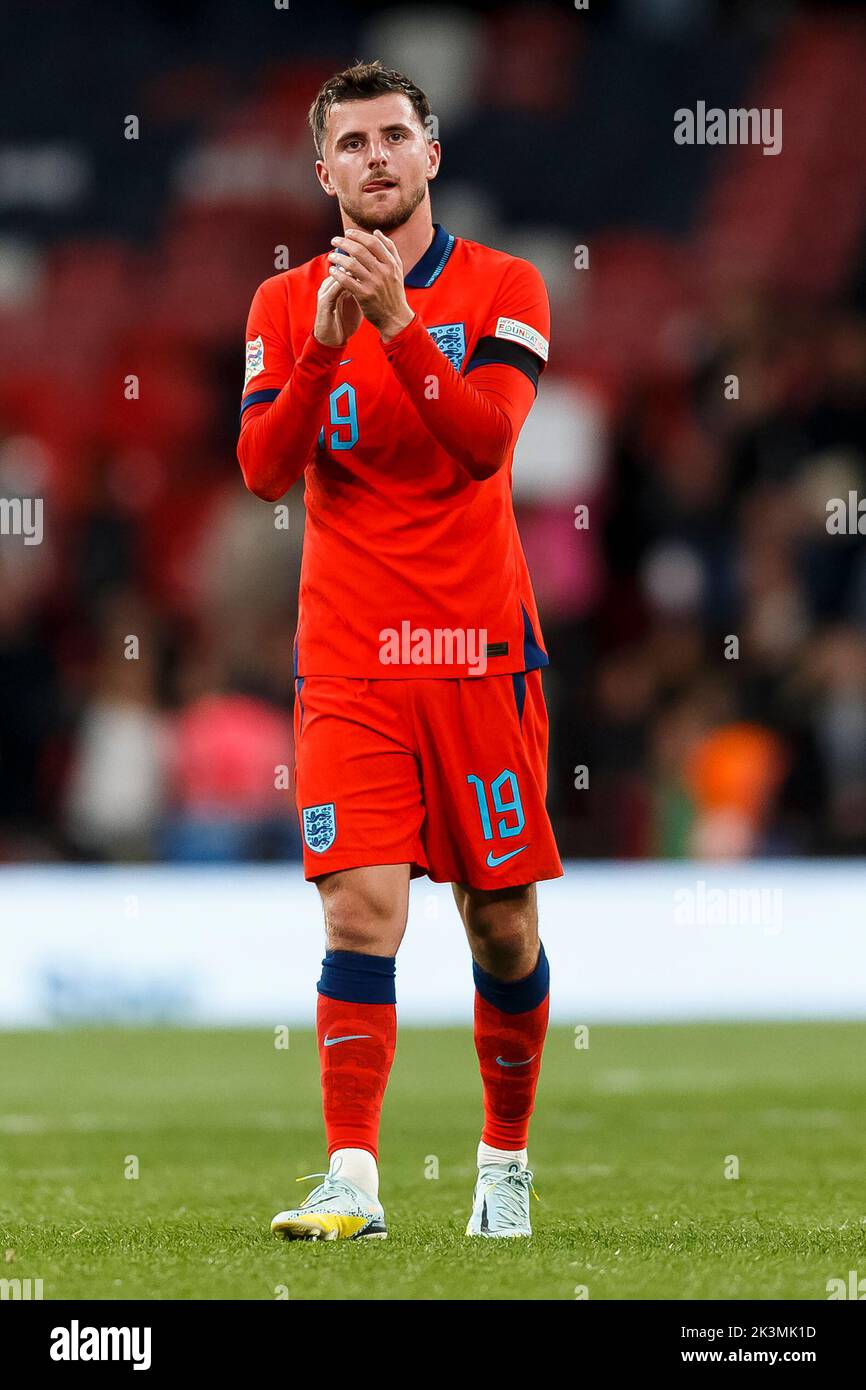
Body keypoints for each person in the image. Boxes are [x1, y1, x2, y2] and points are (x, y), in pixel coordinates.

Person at [237, 60, 562, 1241]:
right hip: (351, 657)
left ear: (431, 154)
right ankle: (353, 1180)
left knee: (500, 926)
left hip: (478, 650)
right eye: (351, 144)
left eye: (394, 137)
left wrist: (393, 320)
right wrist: (326, 344)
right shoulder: (280, 307)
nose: (374, 158)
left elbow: (479, 443)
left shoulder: (506, 283)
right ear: (322, 171)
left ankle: (504, 1155)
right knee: (359, 912)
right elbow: (263, 471)